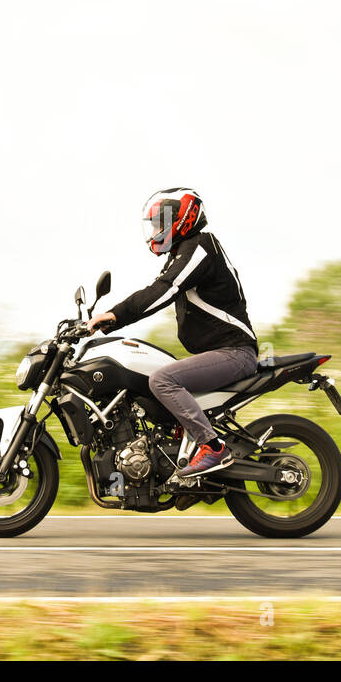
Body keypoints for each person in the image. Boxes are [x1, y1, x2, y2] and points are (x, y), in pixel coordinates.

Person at [87, 187, 258, 477]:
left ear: (184, 217)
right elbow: (162, 286)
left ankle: (213, 448)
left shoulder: (201, 246)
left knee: (162, 379)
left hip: (235, 352)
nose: (156, 230)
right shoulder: (185, 253)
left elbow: (164, 289)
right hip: (219, 353)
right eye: (154, 224)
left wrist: (115, 315)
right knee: (154, 375)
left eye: (161, 222)